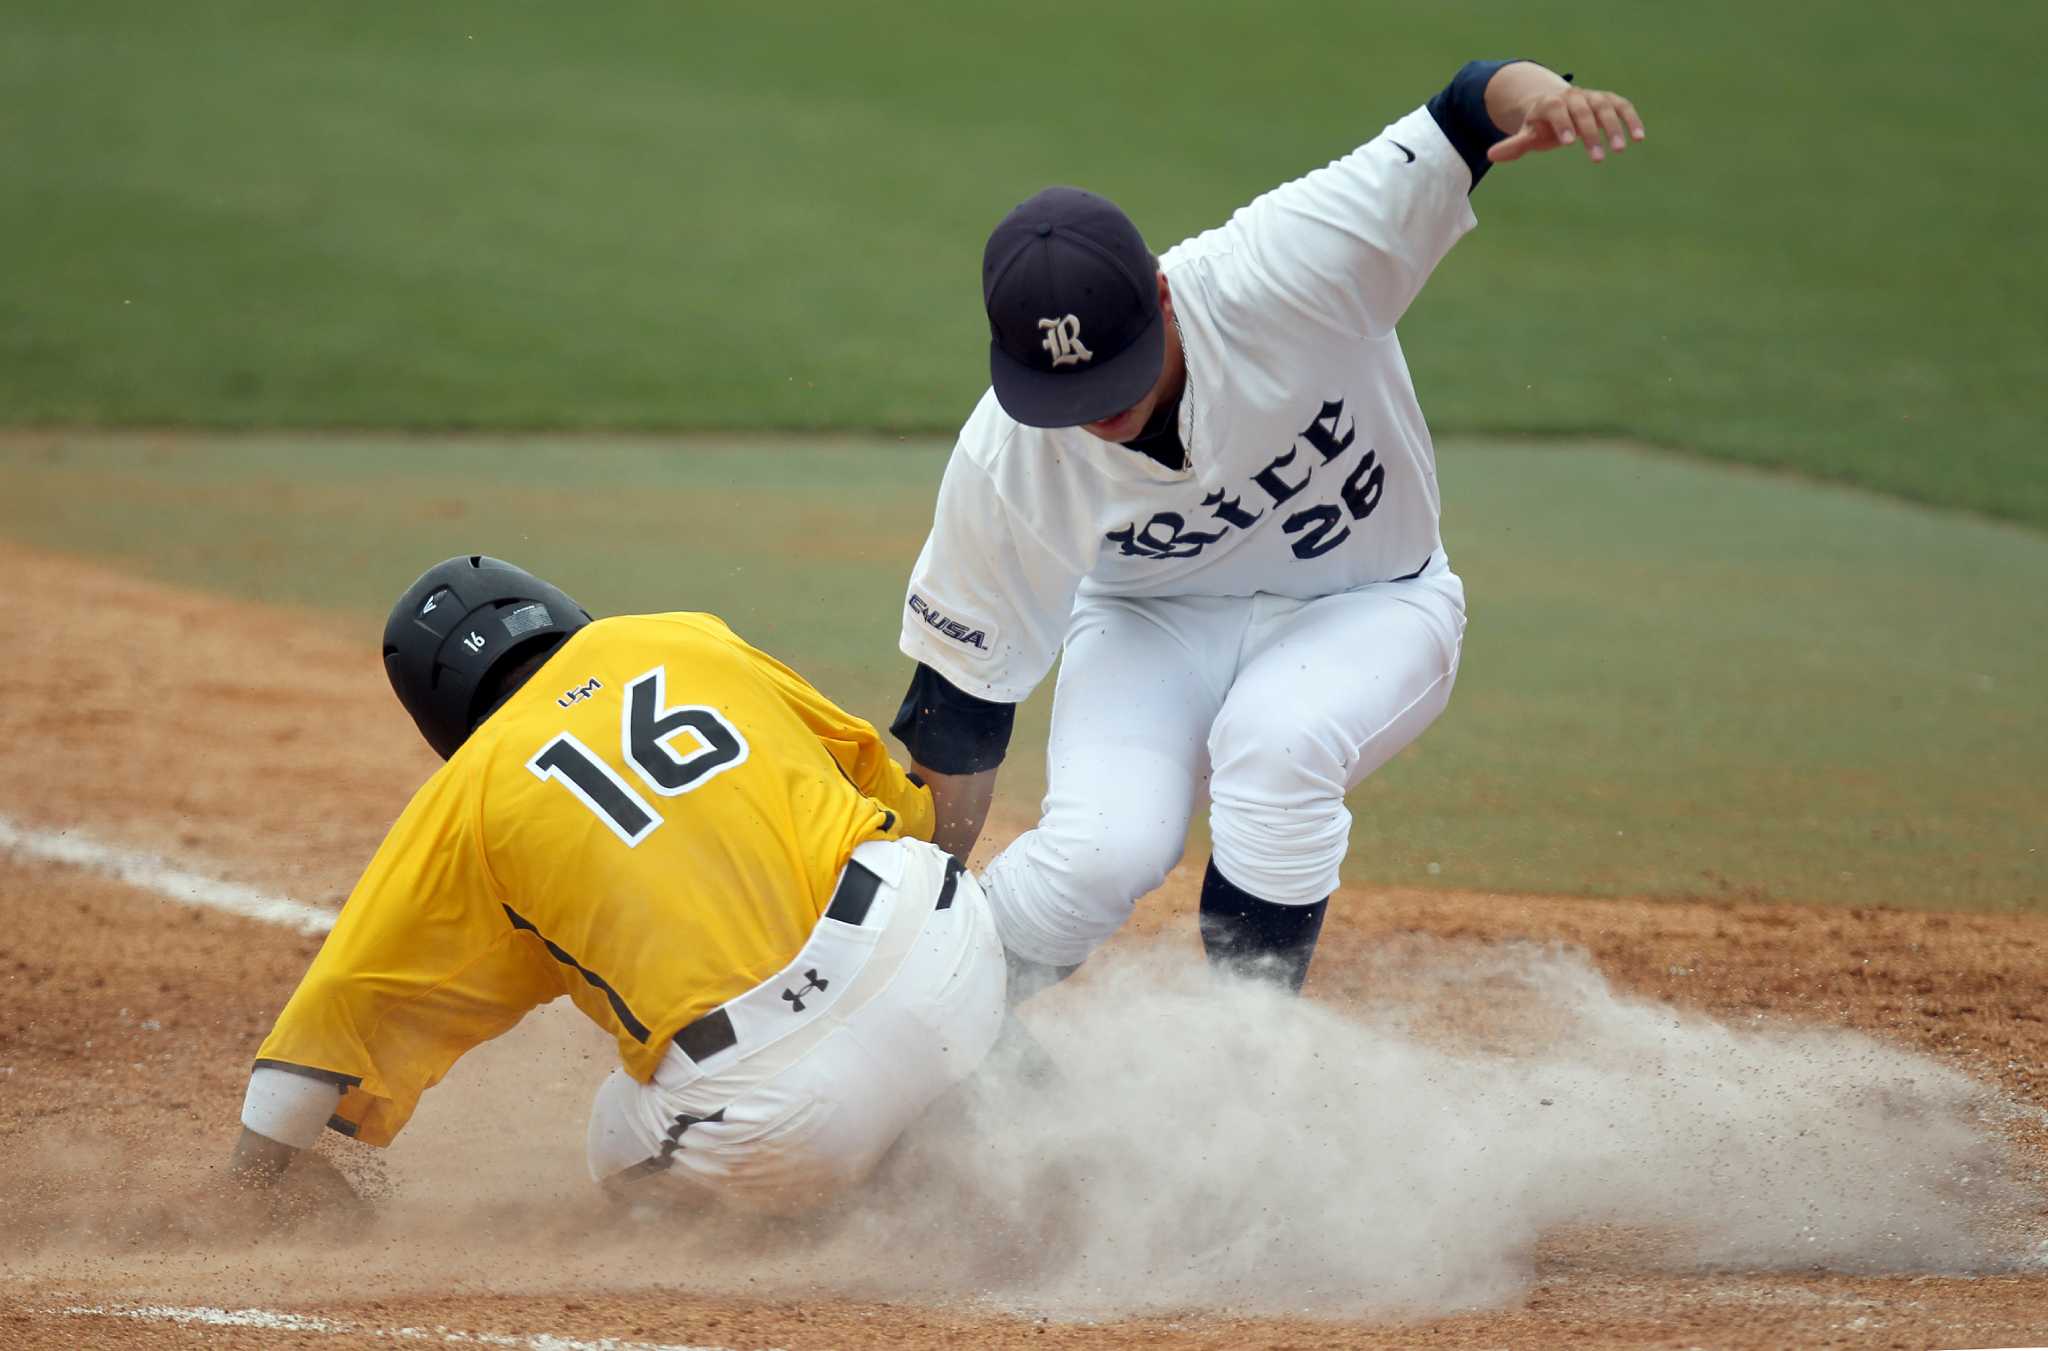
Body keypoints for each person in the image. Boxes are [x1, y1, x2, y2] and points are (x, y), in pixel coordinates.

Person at [893, 61, 1646, 994]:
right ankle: (950, 1026)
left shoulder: (1285, 267)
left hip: (1371, 600)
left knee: (1278, 746)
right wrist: (912, 919)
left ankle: (1249, 1066)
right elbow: (960, 707)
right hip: (1151, 624)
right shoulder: (1006, 457)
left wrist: (1536, 96)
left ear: (1163, 299)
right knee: (1095, 849)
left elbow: (1462, 111)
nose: (1095, 414)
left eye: (1113, 376)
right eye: (1063, 395)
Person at [230, 555, 1007, 1213]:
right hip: (952, 953)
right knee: (897, 939)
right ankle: (999, 1097)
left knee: (616, 1140)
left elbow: (334, 1013)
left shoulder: (465, 798)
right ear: (565, 615)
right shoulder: (680, 635)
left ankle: (878, 1195)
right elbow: (899, 801)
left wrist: (253, 1184)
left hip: (790, 1119)